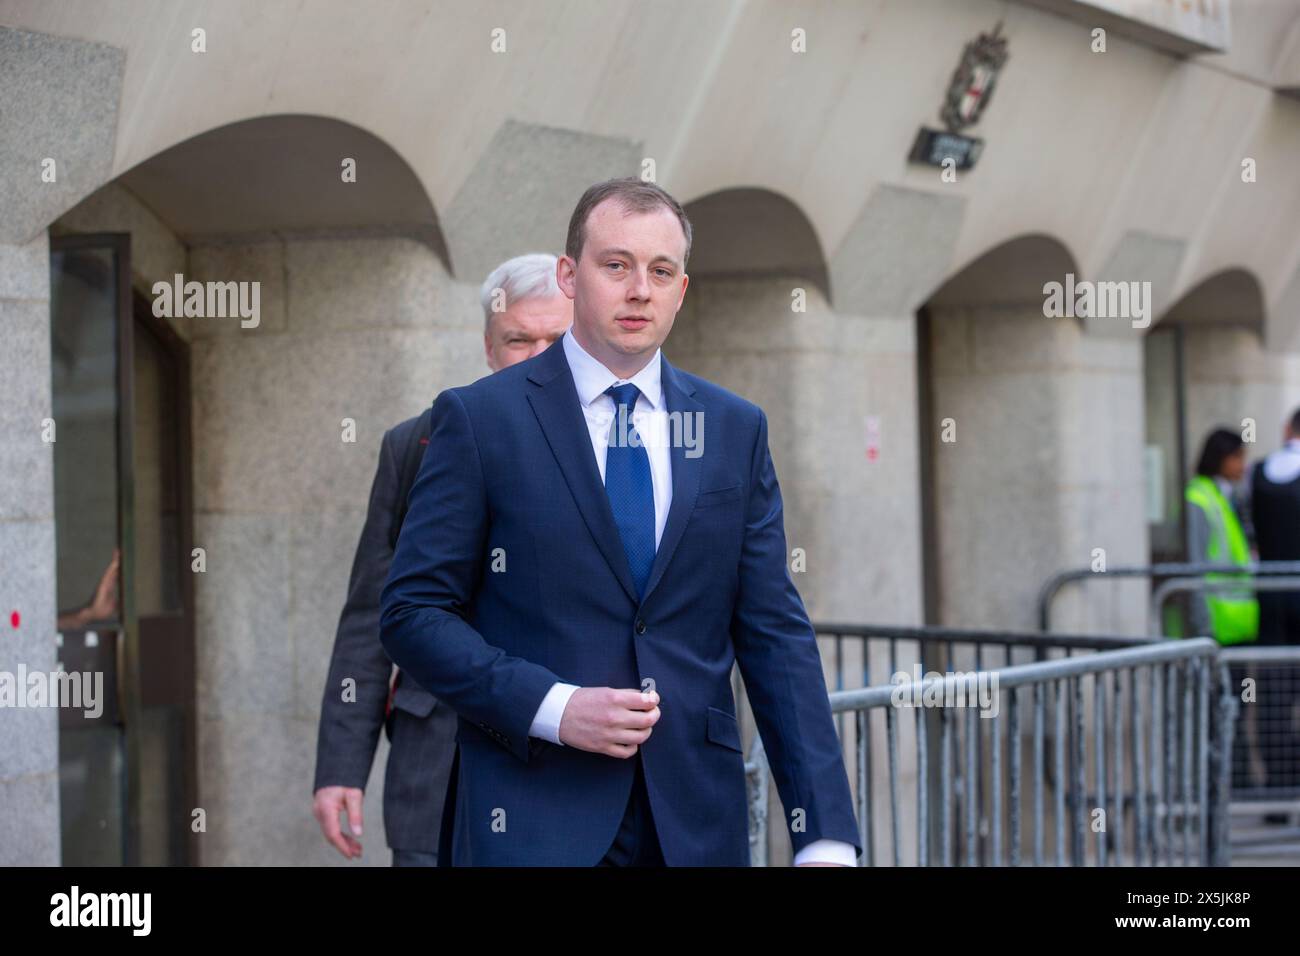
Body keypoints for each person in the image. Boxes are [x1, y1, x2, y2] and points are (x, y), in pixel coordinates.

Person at [381, 177, 861, 866]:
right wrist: (552, 706)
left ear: (682, 289)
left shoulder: (732, 427)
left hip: (694, 825)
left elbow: (774, 634)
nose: (640, 289)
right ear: (571, 275)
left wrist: (824, 833)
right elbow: (411, 612)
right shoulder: (482, 420)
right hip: (532, 819)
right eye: (617, 265)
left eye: (660, 271)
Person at [312, 254, 573, 866]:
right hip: (434, 763)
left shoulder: (622, 439)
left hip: (571, 764)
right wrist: (341, 768)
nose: (537, 356)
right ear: (489, 347)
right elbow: (372, 615)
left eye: (556, 340)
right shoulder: (417, 442)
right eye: (518, 339)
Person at [1248, 410, 1300, 817]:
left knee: (1274, 695)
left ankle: (1278, 795)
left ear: (1287, 431)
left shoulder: (1260, 471)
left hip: (1269, 596)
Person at [1184, 428, 1258, 645]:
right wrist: (1201, 621)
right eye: (1236, 457)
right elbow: (1194, 561)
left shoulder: (1226, 496)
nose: (1242, 466)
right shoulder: (1199, 497)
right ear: (1218, 457)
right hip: (1213, 621)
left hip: (1235, 619)